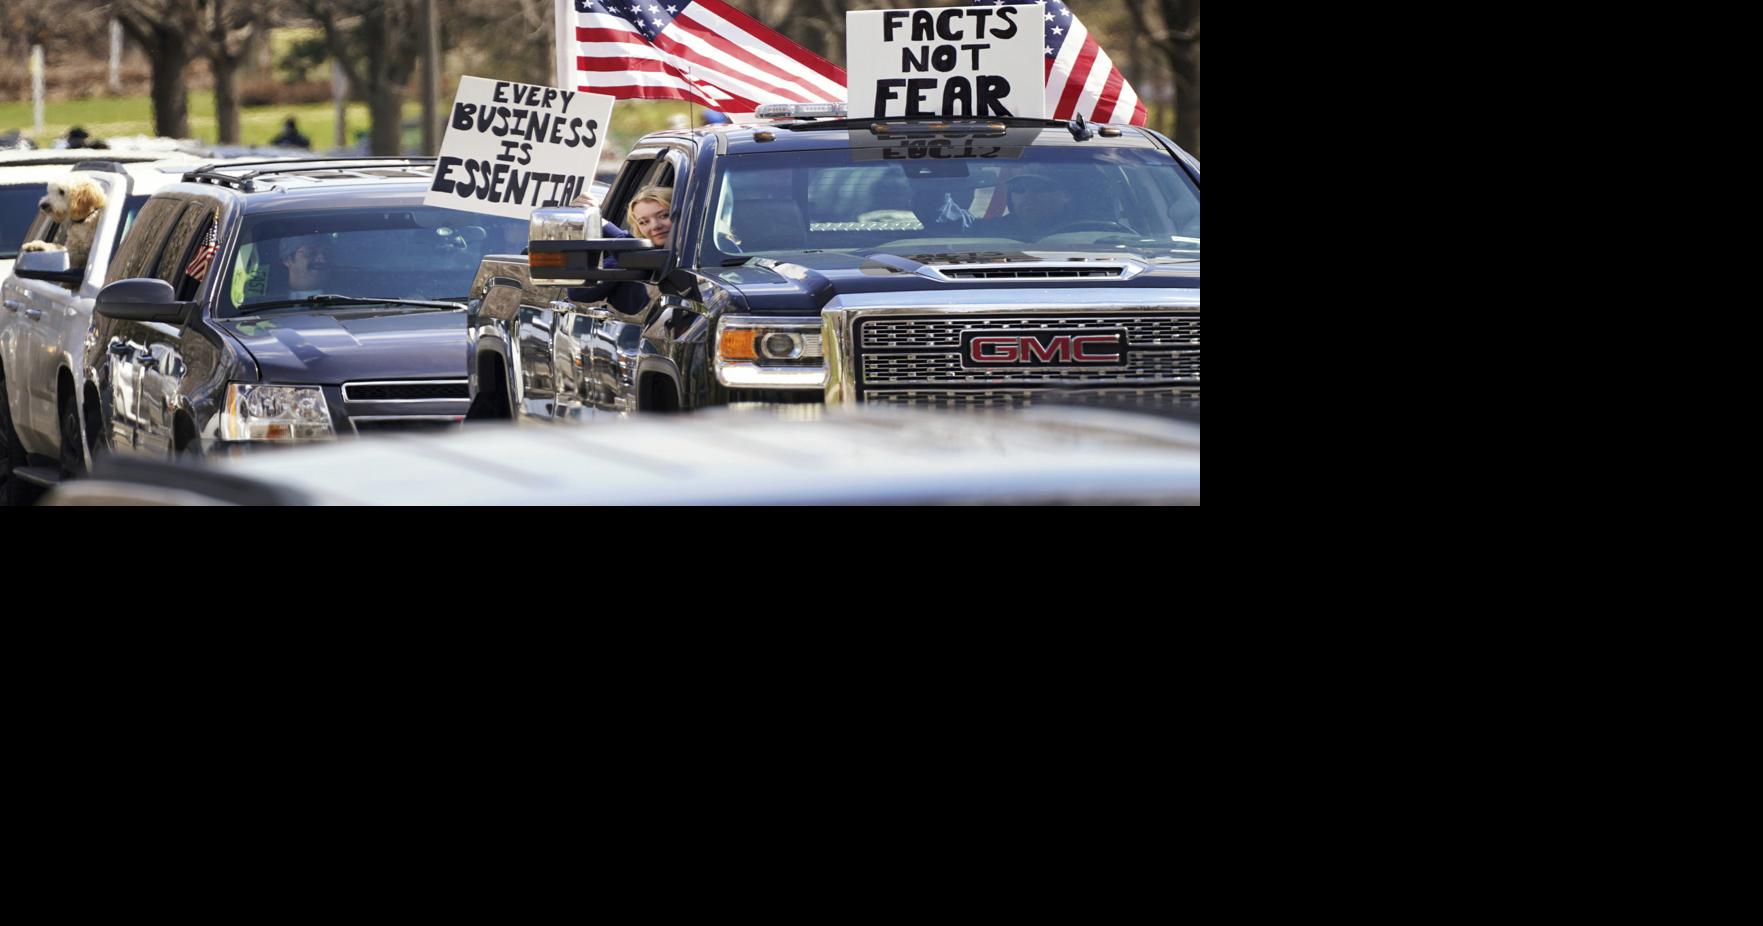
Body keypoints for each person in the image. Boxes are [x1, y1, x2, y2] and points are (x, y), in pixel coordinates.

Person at [978, 173, 1071, 239]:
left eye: (1040, 188)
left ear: (1065, 195)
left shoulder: (1081, 230)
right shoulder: (987, 232)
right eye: (1019, 188)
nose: (1028, 195)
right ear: (1010, 196)